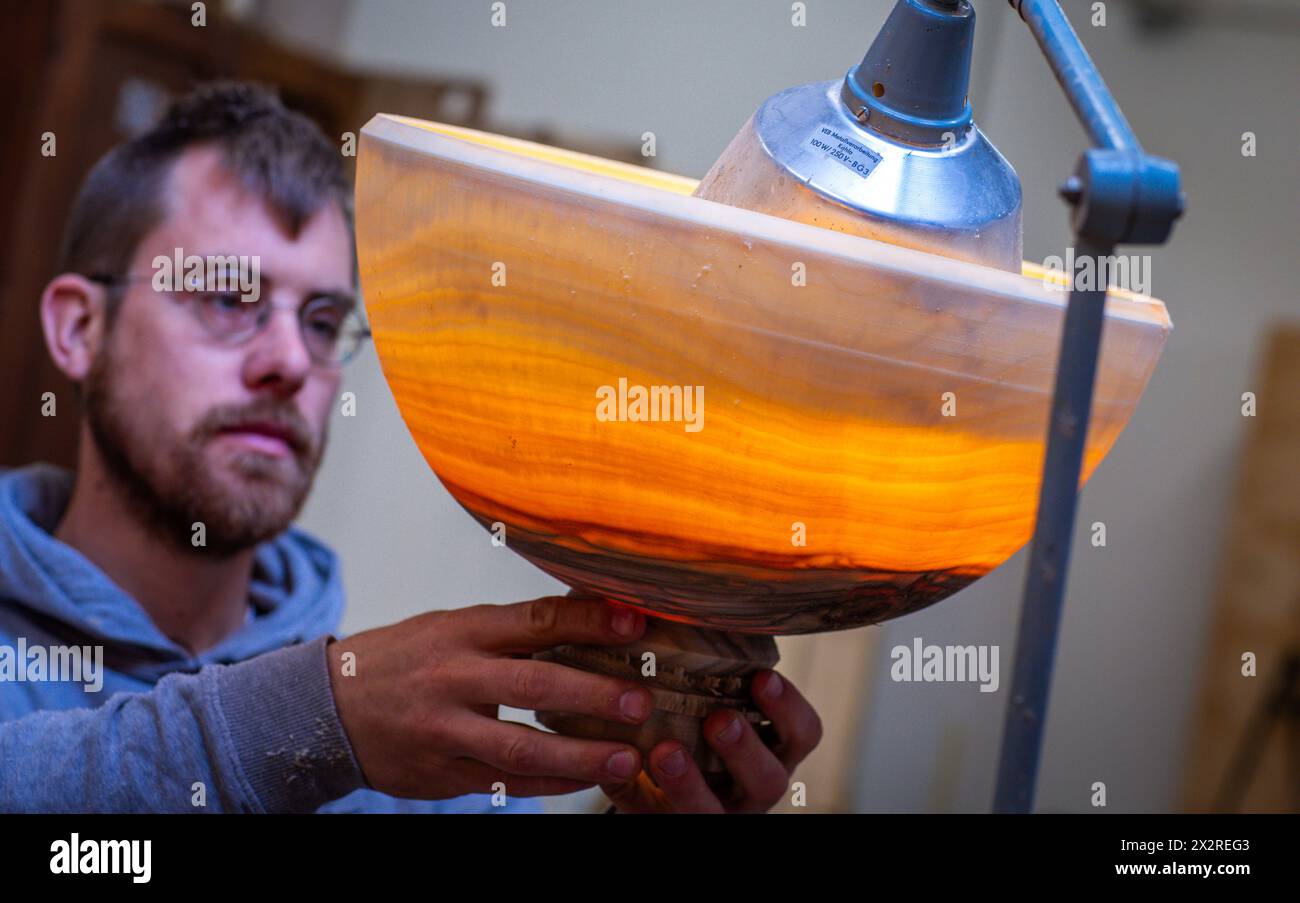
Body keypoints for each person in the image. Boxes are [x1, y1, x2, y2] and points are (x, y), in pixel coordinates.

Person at [0, 83, 821, 813]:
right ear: (80, 327)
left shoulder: (421, 763)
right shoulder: (358, 723)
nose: (290, 360)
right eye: (225, 298)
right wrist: (312, 723)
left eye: (322, 321)